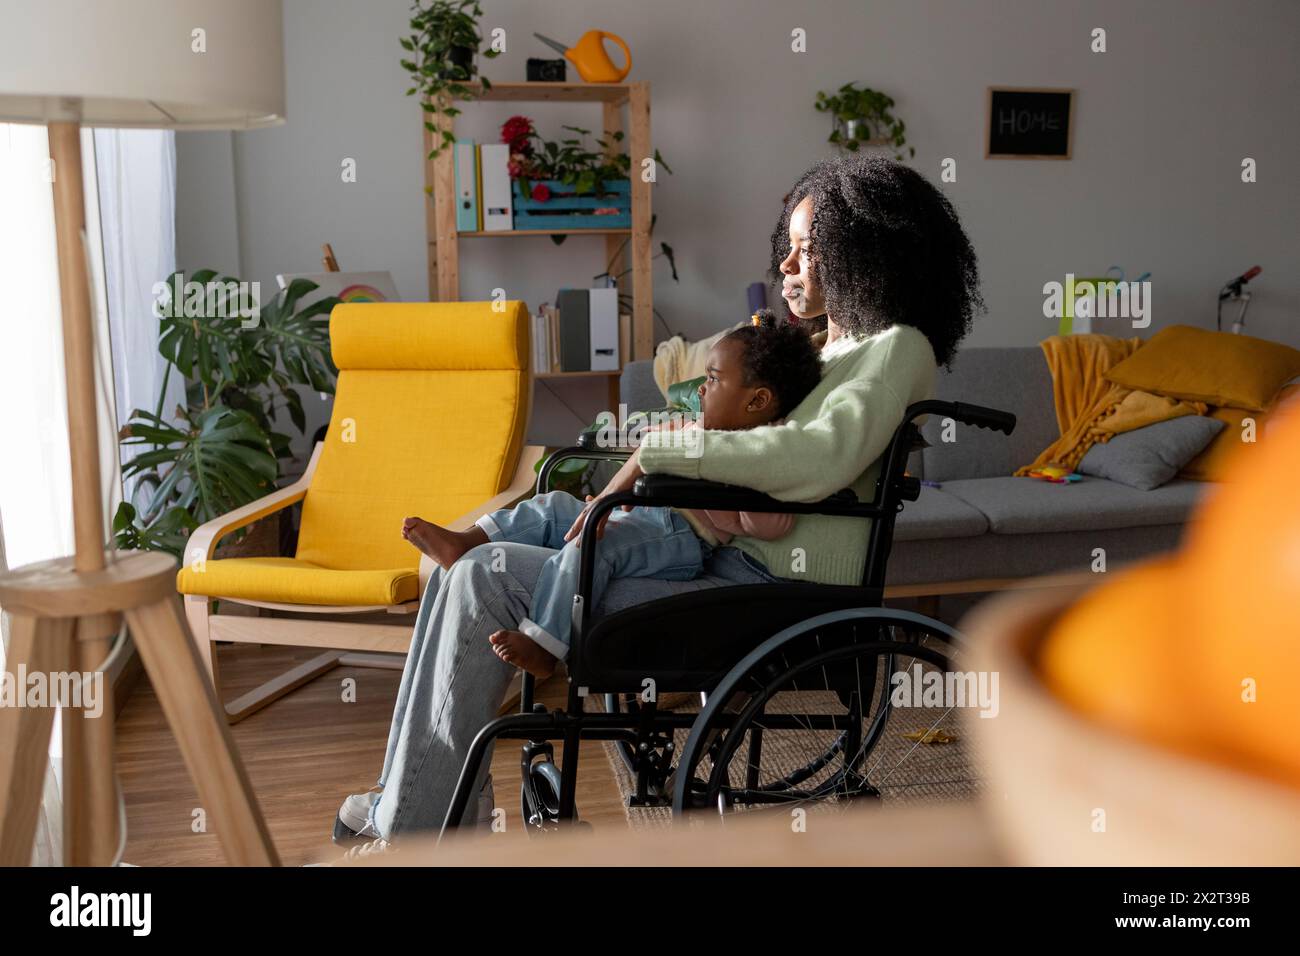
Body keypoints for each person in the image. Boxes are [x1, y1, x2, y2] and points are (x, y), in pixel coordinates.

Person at [331, 154, 985, 856]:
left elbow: (814, 458)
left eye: (808, 249)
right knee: (459, 571)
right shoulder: (826, 349)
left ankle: (414, 829)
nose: (789, 264)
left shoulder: (896, 349)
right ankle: (412, 798)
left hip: (772, 586)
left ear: (866, 255)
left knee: (484, 576)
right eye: (787, 247)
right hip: (725, 558)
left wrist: (665, 450)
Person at [398, 311, 823, 679]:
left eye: (712, 379)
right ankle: (471, 540)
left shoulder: (765, 447)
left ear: (758, 401)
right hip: (635, 513)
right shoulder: (698, 427)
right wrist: (603, 499)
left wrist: (729, 488)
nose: (700, 389)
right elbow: (649, 449)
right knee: (552, 507)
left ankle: (546, 646)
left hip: (680, 539)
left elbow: (774, 521)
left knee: (590, 548)